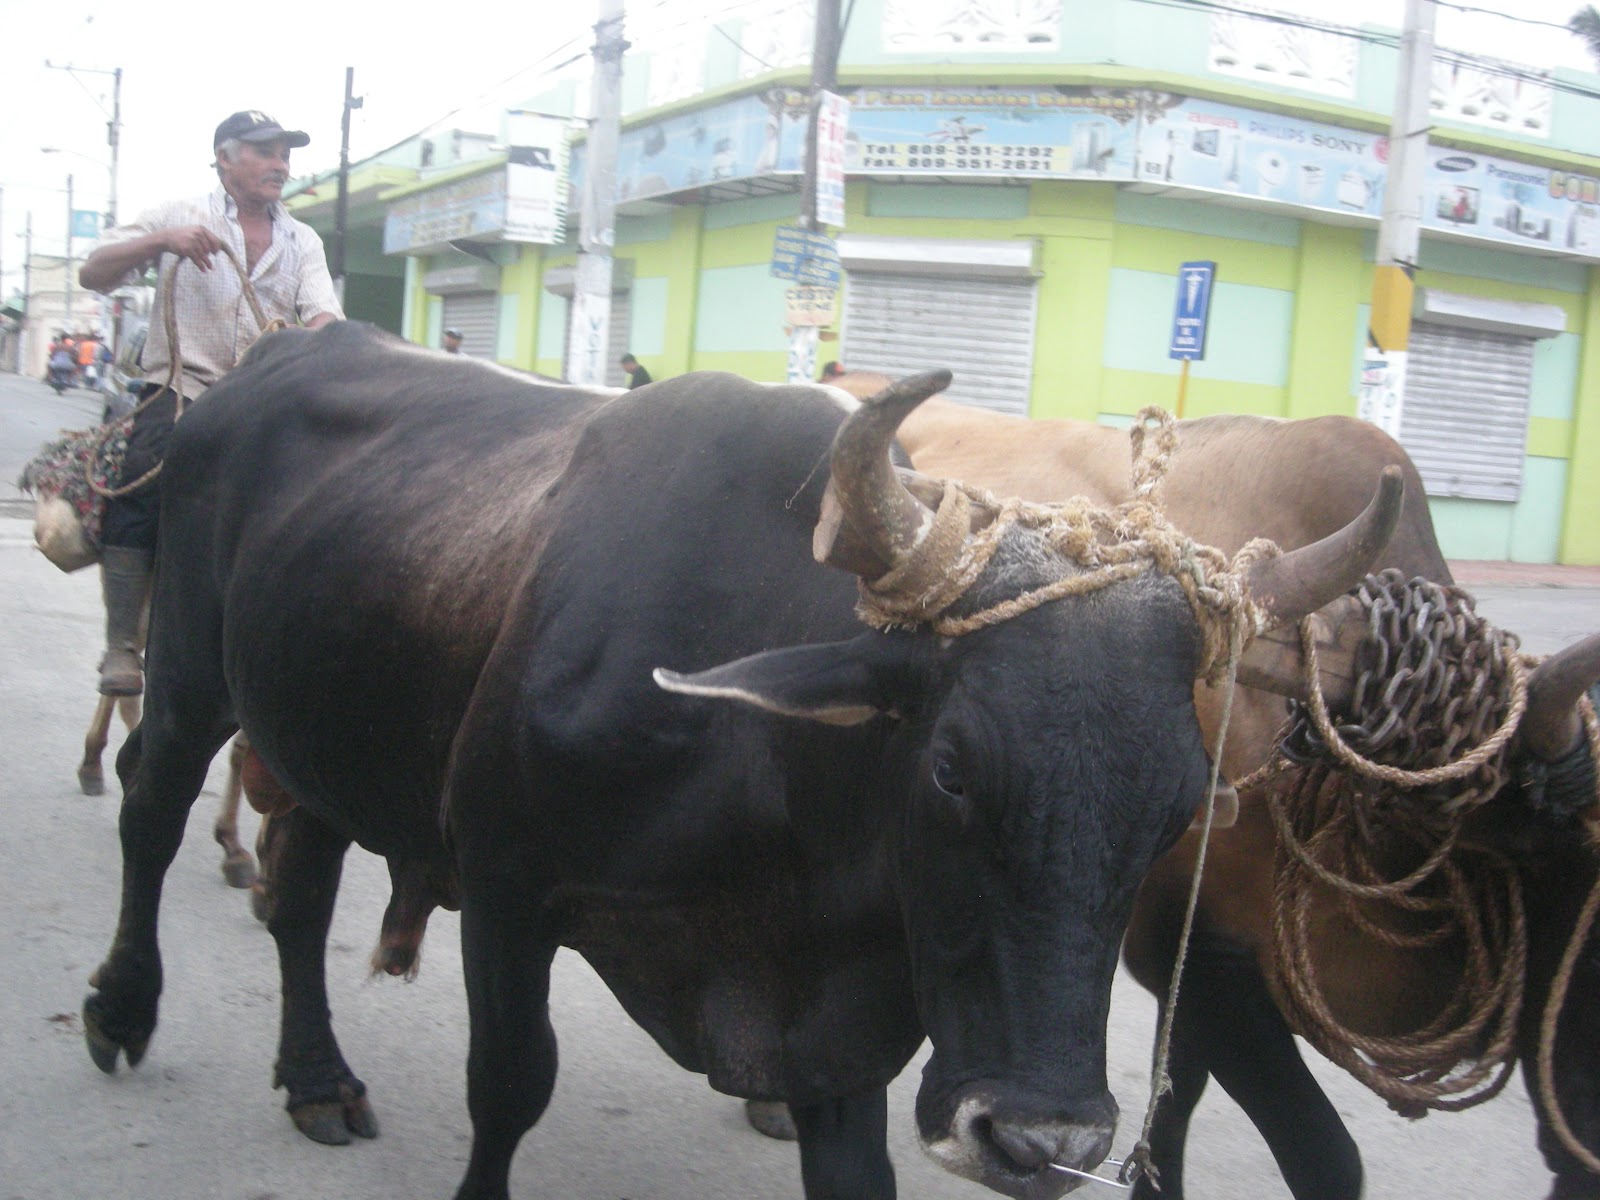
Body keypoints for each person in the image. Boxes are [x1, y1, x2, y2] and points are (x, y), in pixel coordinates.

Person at [79, 109, 343, 696]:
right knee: (139, 482)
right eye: (265, 152)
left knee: (324, 504)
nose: (280, 165)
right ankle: (121, 645)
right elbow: (92, 274)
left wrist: (317, 339)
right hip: (181, 391)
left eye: (285, 154)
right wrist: (162, 242)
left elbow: (324, 312)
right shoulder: (179, 214)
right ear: (225, 158)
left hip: (260, 403)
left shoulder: (302, 240)